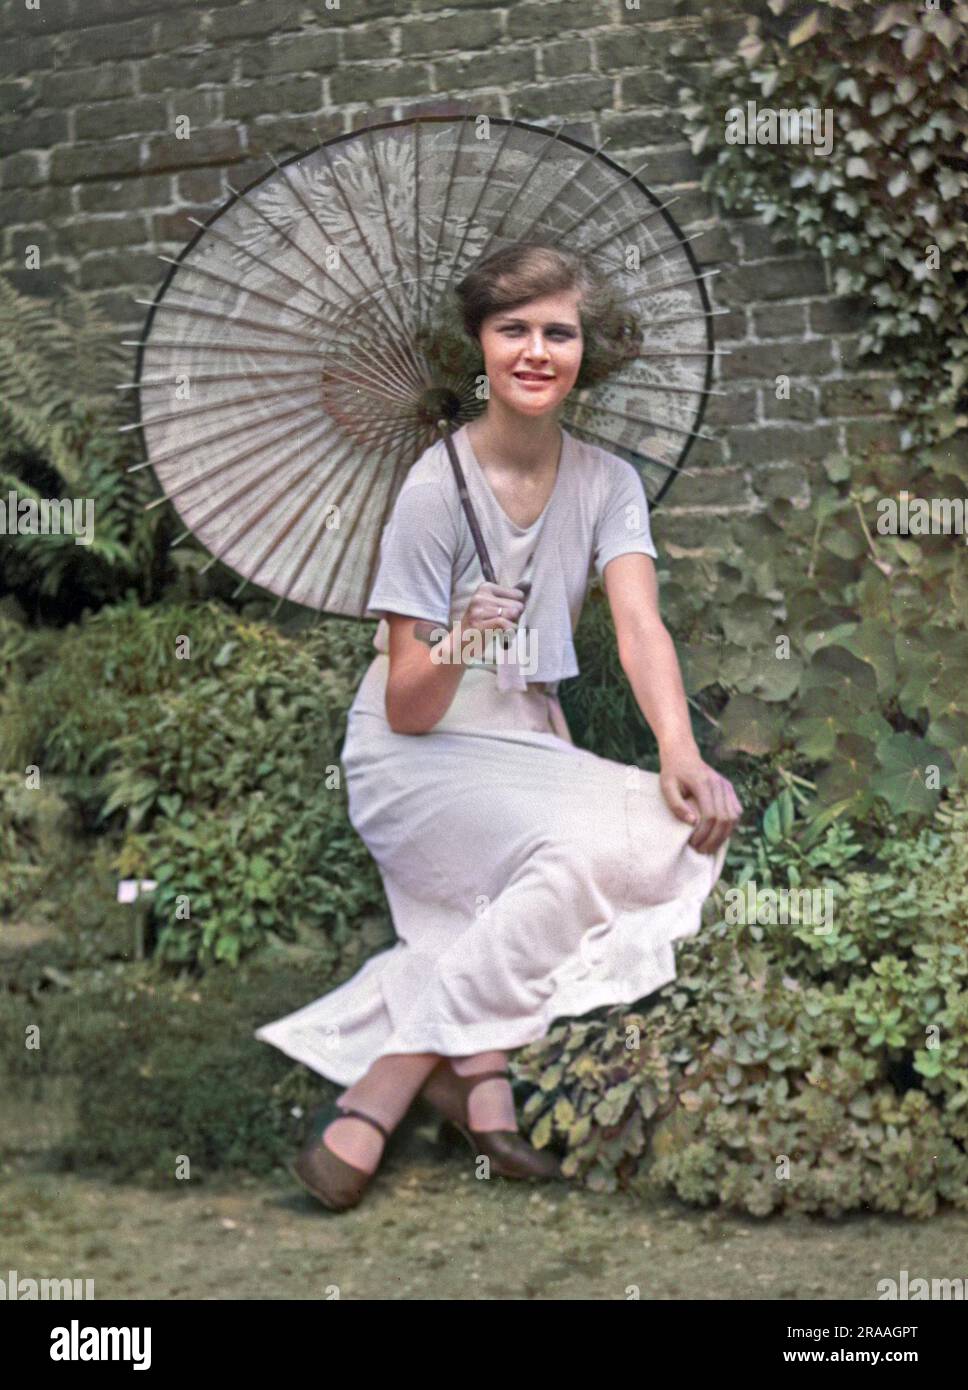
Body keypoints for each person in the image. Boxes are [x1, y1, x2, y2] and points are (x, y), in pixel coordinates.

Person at [255, 241, 741, 1211]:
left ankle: (458, 1075)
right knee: (568, 858)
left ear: (582, 351)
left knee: (656, 819)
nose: (533, 350)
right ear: (477, 345)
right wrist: (466, 637)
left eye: (555, 331)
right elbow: (406, 703)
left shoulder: (608, 483)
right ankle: (400, 1081)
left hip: (525, 738)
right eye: (510, 328)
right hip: (416, 753)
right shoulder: (432, 488)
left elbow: (639, 624)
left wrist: (679, 751)